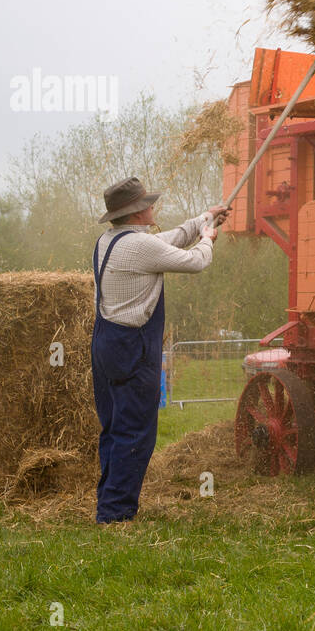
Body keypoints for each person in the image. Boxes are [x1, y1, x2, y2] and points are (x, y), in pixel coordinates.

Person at [91, 176, 230, 523]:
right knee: (134, 430)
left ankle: (108, 503)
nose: (154, 207)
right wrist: (209, 239)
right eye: (149, 203)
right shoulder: (140, 247)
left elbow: (167, 241)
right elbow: (195, 261)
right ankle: (116, 514)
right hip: (132, 347)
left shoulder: (110, 240)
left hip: (106, 342)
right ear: (138, 212)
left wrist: (204, 219)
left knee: (113, 427)